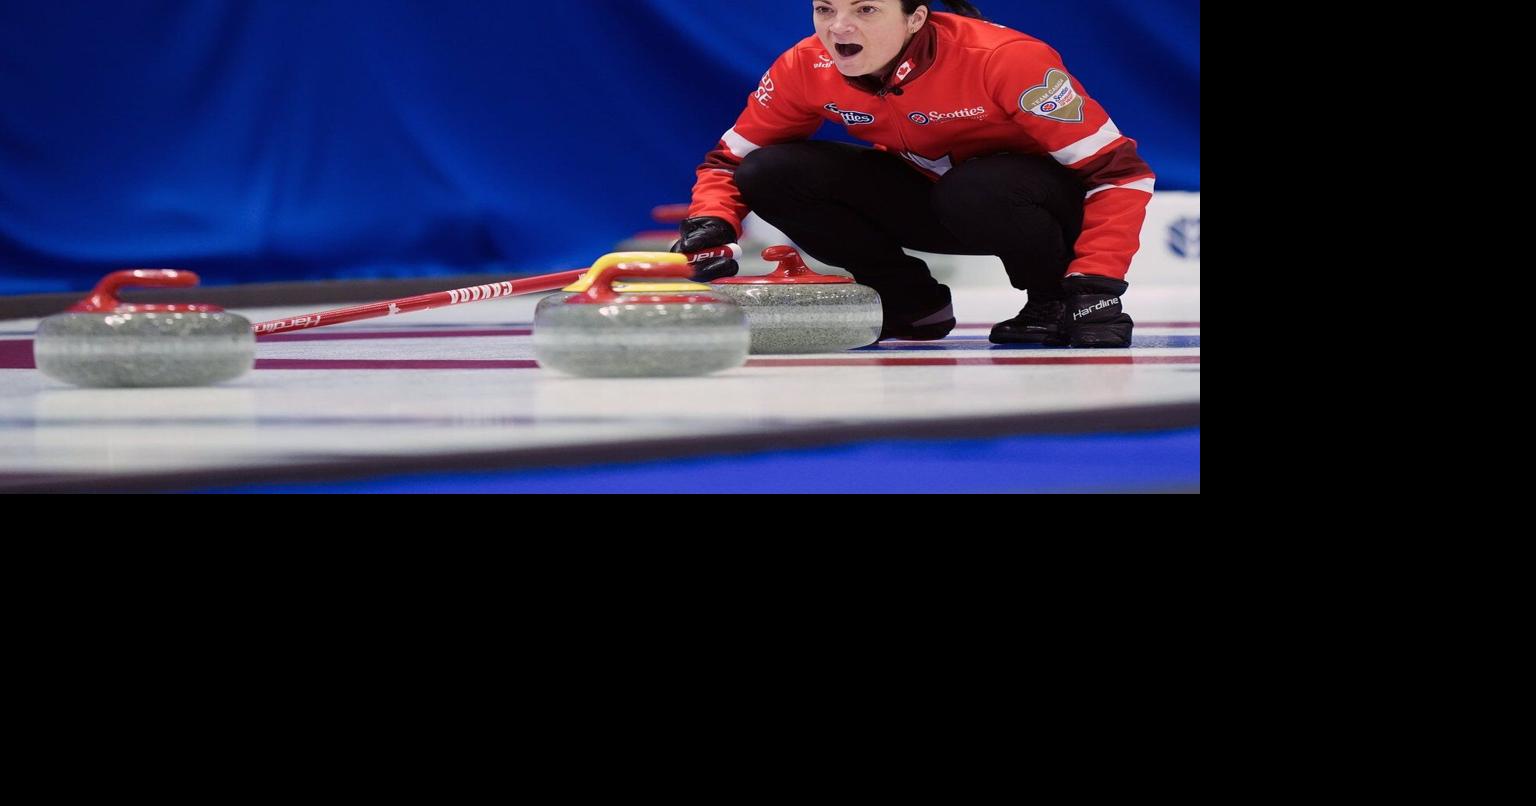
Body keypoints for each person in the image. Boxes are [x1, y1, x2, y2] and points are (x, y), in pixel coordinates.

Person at [673, 0, 1156, 347]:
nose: (839, 28)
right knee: (771, 171)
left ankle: (1049, 297)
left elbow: (1120, 174)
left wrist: (1096, 282)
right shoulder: (804, 65)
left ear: (916, 18)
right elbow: (728, 161)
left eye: (866, 10)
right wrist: (713, 225)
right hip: (941, 200)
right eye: (824, 9)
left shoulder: (1005, 59)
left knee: (977, 187)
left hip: (1038, 208)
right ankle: (911, 303)